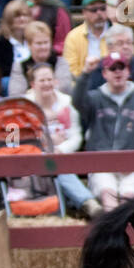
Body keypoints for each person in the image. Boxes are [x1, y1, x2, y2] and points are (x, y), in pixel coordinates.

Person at [72, 51, 134, 209]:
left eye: (121, 67)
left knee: (129, 200)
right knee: (109, 199)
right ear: (104, 73)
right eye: (112, 69)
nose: (118, 72)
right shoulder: (95, 98)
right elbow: (77, 101)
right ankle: (112, 234)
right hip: (101, 165)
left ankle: (128, 234)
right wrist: (85, 73)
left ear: (128, 71)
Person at [20, 61, 100, 217]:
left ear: (55, 81)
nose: (47, 84)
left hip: (63, 157)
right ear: (32, 84)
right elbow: (16, 141)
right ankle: (87, 202)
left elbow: (76, 136)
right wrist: (47, 142)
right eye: (42, 80)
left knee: (55, 164)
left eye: (49, 79)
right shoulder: (23, 106)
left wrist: (60, 149)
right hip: (33, 159)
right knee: (50, 163)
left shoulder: (67, 103)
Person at [7, 19, 71, 95]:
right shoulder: (20, 66)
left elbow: (64, 88)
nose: (43, 47)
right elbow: (15, 94)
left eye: (46, 42)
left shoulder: (60, 62)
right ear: (29, 45)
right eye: (39, 43)